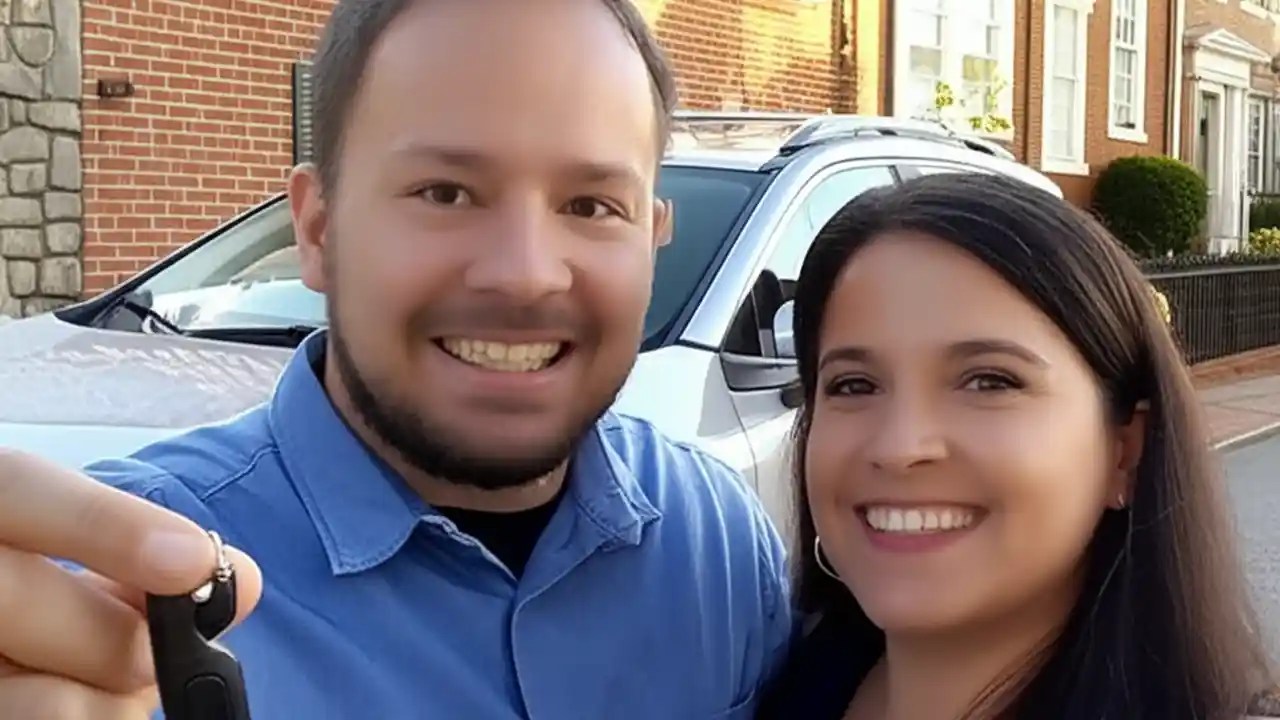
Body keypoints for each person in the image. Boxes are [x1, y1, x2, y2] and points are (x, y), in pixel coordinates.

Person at [0, 1, 792, 717]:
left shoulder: (717, 547)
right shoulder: (122, 593)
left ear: (652, 239)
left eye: (590, 206)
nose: (523, 273)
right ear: (315, 230)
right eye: (445, 192)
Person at [753, 172, 1275, 719]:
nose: (901, 446)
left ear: (1126, 451)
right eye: (853, 385)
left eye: (990, 381)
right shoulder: (760, 686)